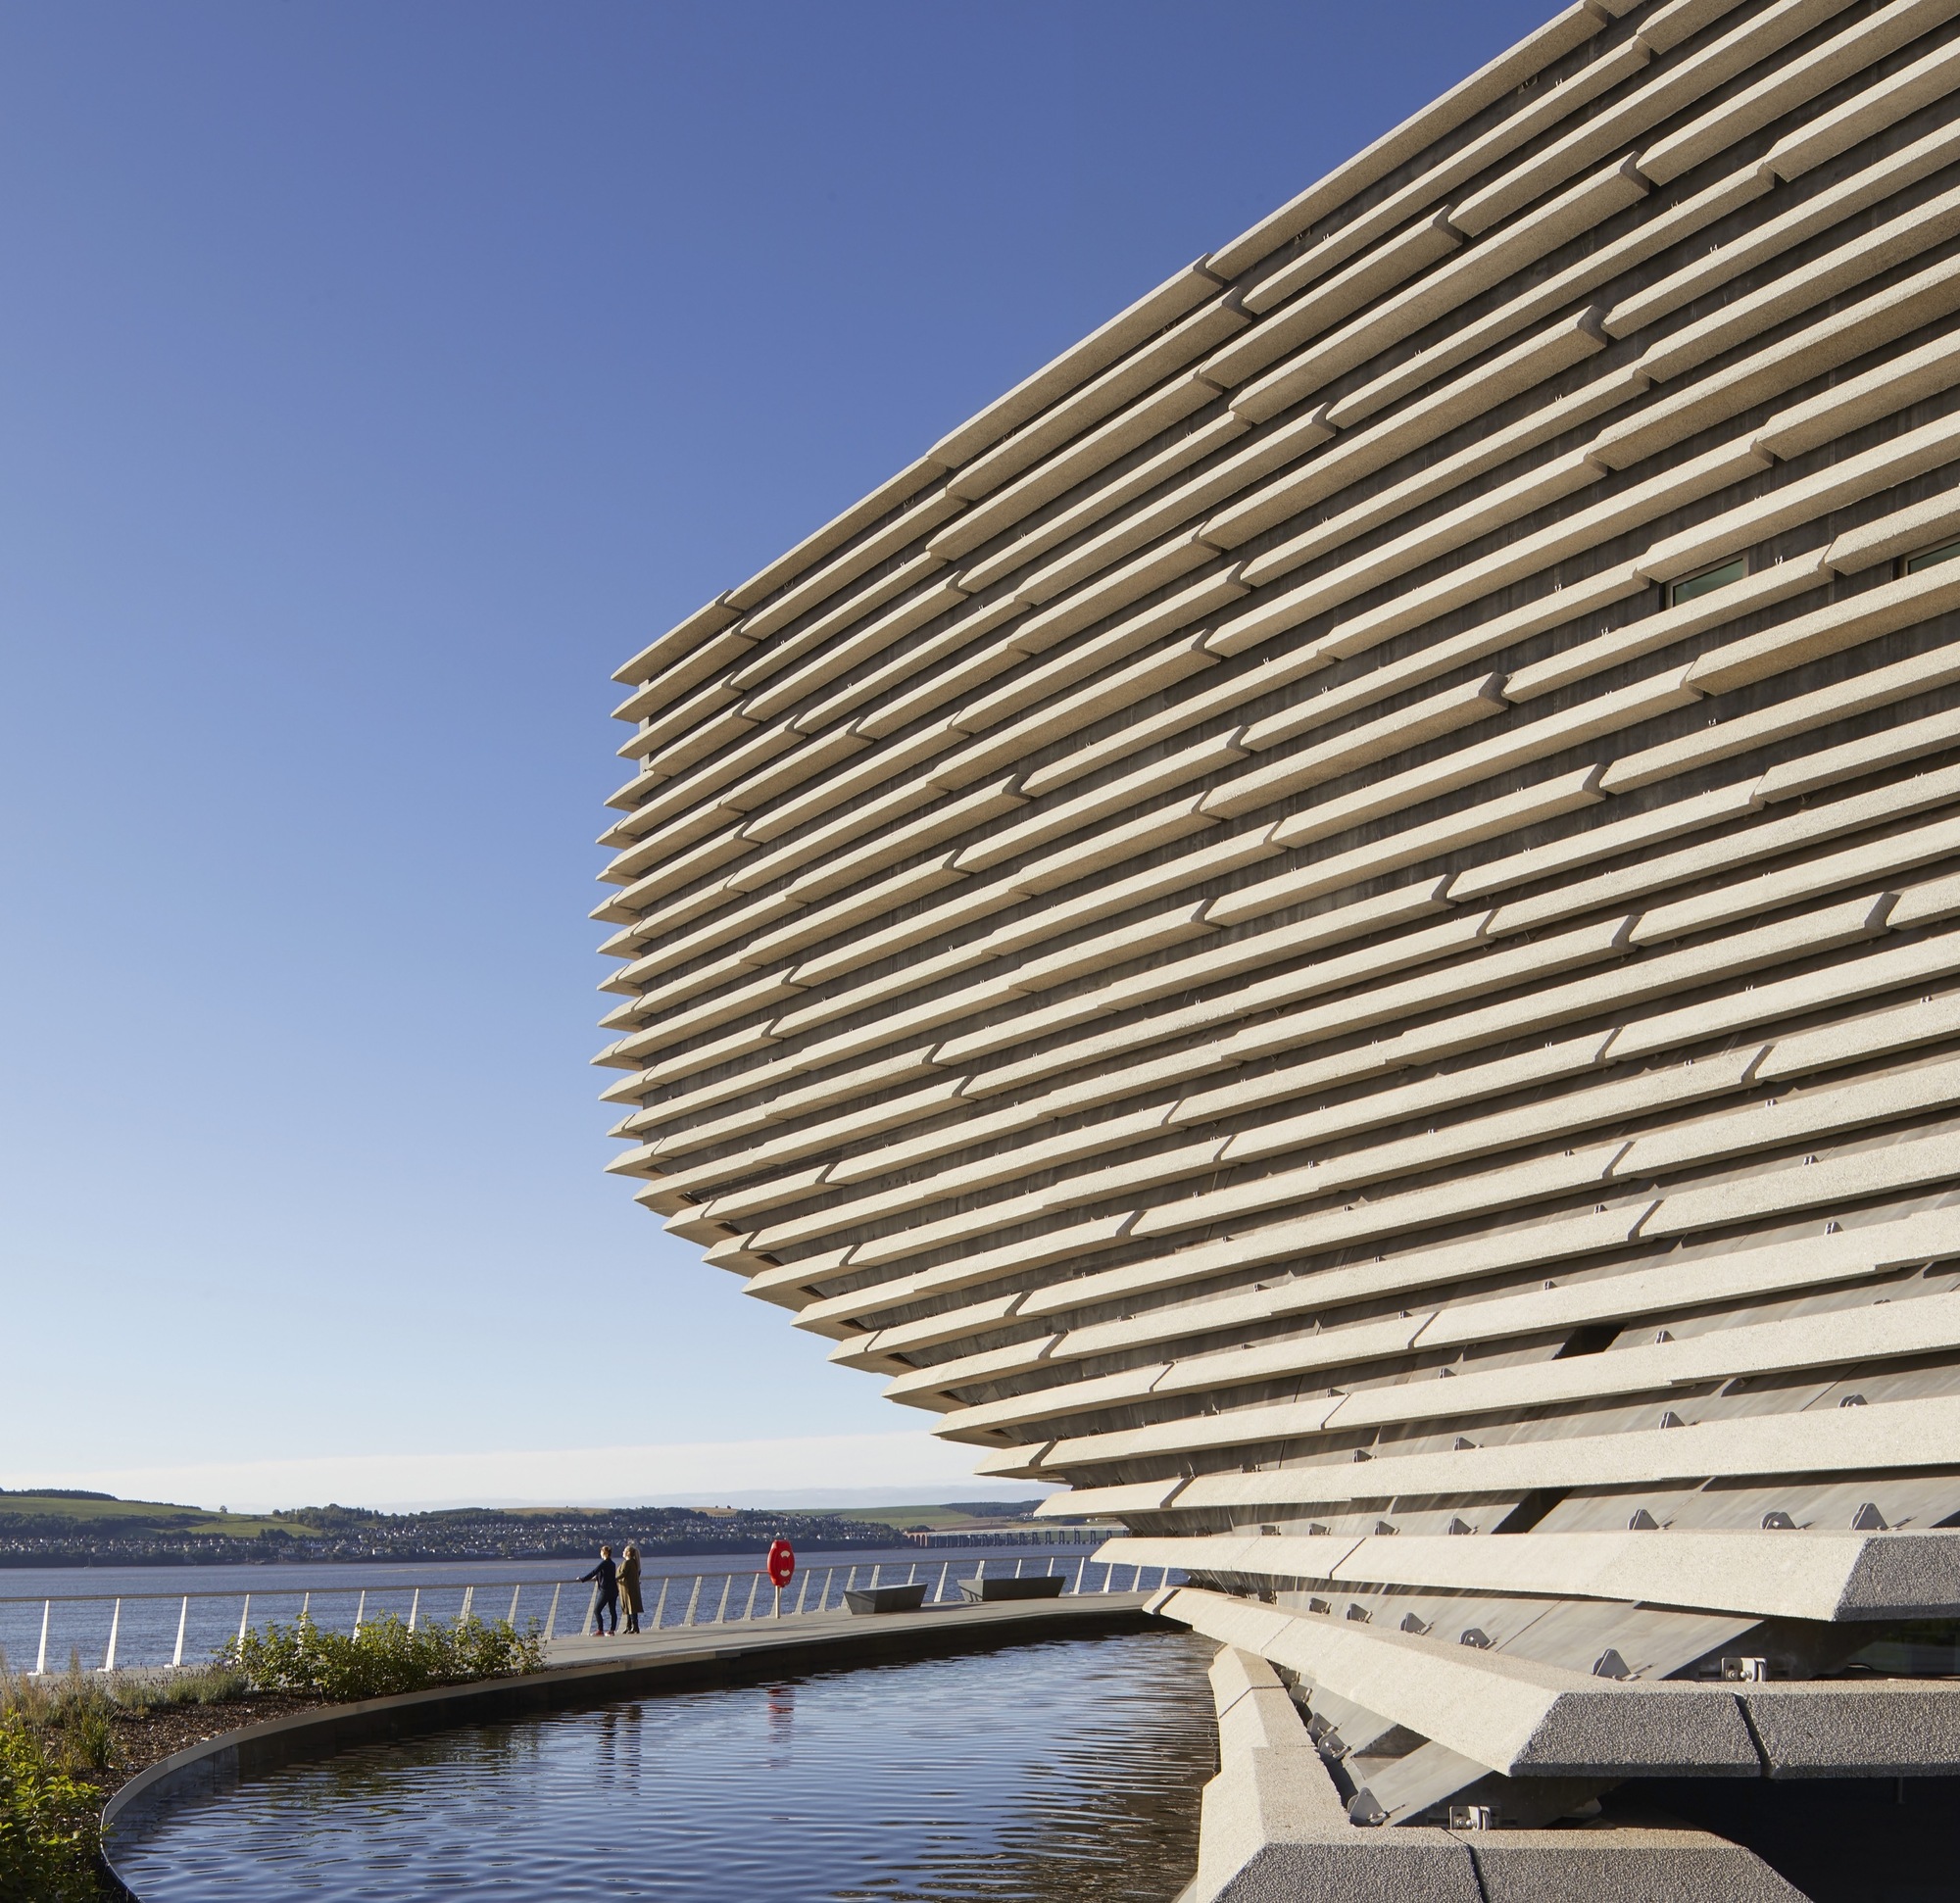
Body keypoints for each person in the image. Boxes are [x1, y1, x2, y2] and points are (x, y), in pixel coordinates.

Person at [579, 1545, 618, 1636]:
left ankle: (600, 1629)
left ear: (604, 1553)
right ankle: (612, 1630)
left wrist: (583, 1579)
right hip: (614, 1590)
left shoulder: (604, 1563)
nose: (600, 1554)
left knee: (597, 1610)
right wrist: (597, 1577)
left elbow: (594, 1571)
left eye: (601, 1552)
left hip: (606, 1590)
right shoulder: (612, 1563)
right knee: (612, 1610)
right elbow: (606, 1574)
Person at [618, 1542, 644, 1635]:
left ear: (628, 1553)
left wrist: (613, 1579)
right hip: (632, 1587)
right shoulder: (634, 1563)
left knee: (630, 1607)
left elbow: (623, 1573)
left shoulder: (628, 1562)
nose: (623, 1552)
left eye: (624, 1551)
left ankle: (633, 1627)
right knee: (630, 1607)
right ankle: (629, 1626)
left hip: (628, 1588)